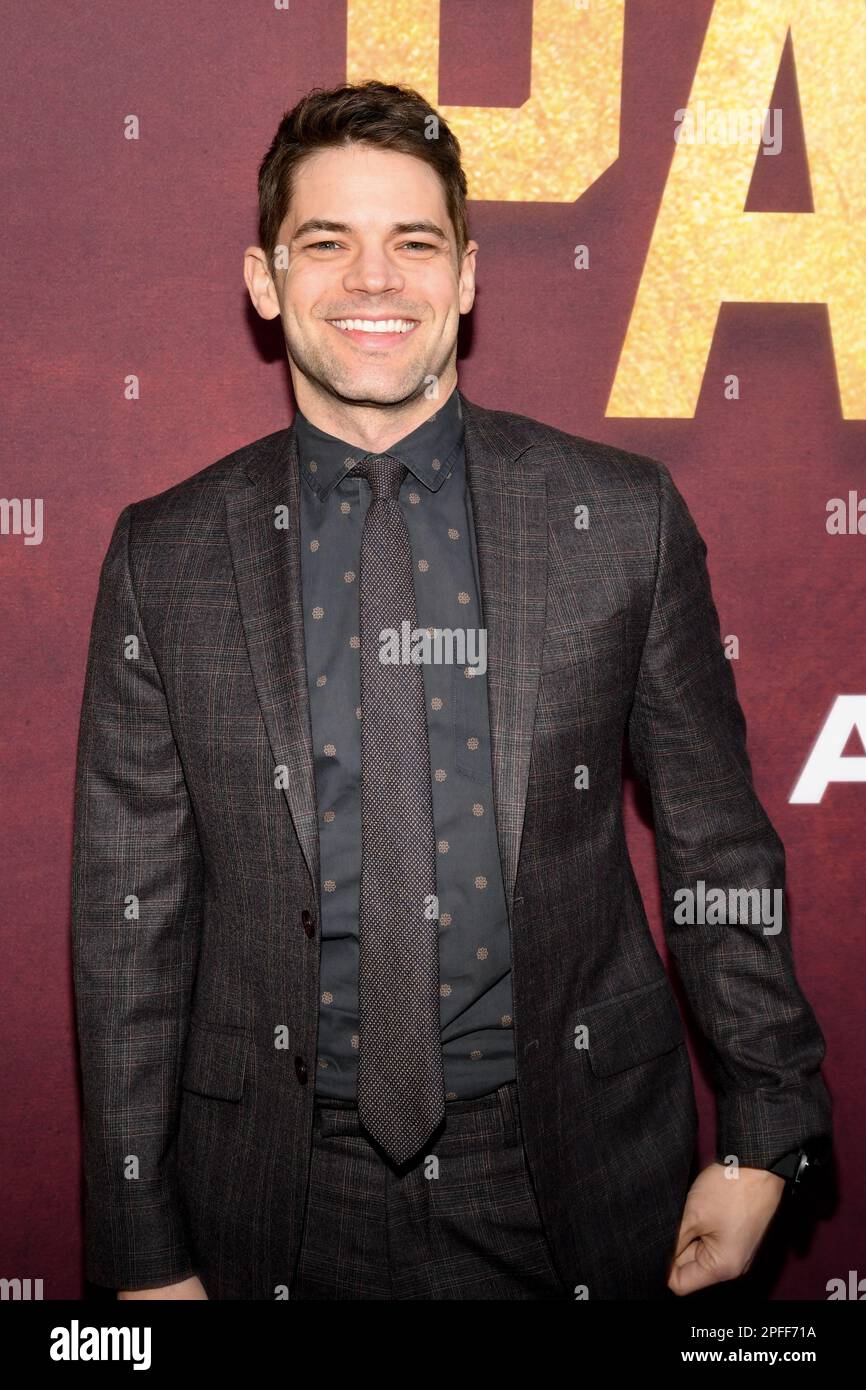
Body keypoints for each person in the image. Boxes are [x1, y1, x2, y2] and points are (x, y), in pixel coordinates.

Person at [72, 80, 832, 1301]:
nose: (374, 280)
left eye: (413, 243)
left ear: (467, 276)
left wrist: (762, 1128)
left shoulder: (619, 520)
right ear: (264, 282)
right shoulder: (164, 554)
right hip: (269, 1190)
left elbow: (716, 847)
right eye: (326, 242)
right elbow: (130, 926)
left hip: (574, 1171)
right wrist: (140, 1247)